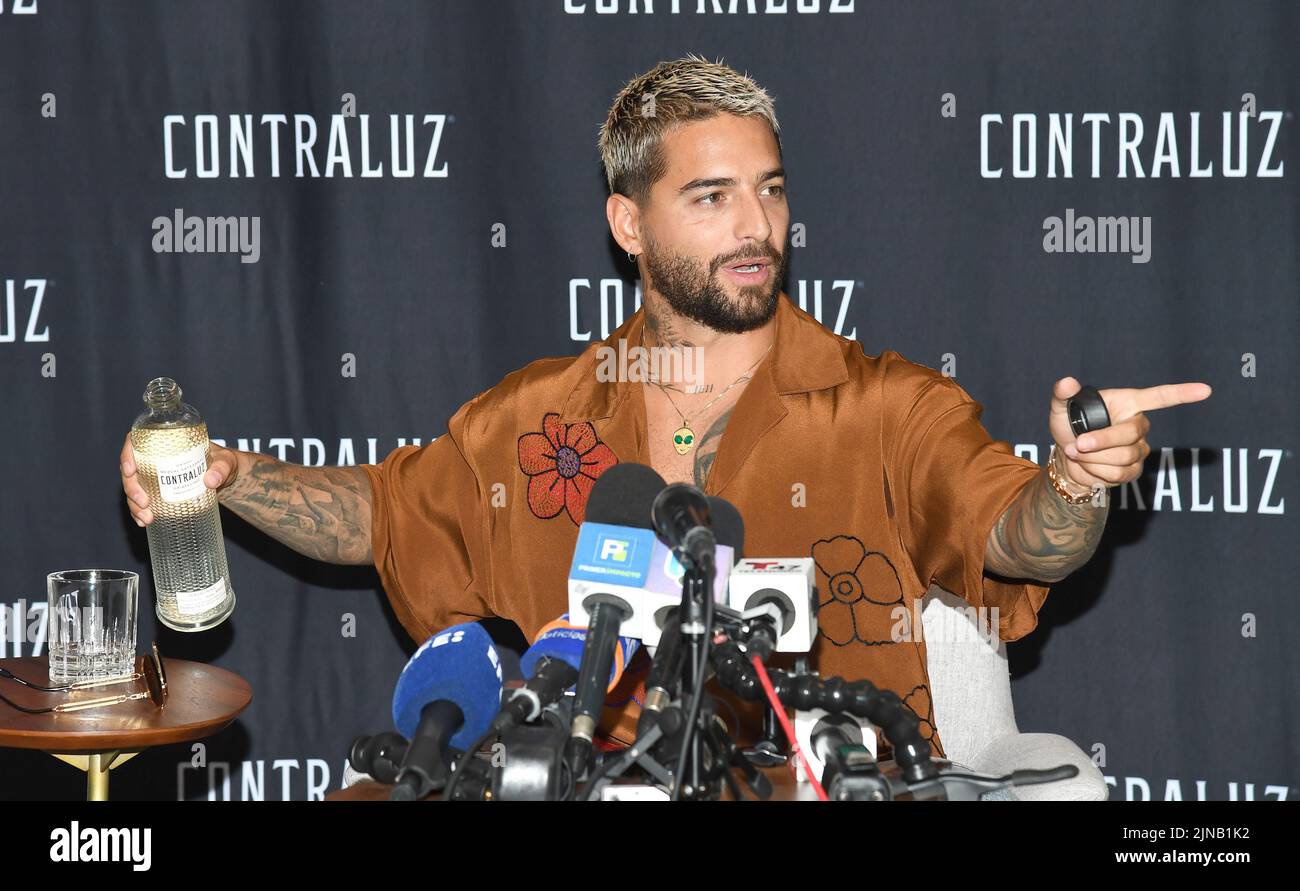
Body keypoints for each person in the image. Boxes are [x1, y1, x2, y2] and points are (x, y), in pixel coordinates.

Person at [119, 54, 1210, 757]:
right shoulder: (547, 417)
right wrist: (230, 478)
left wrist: (1073, 484)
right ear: (628, 225)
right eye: (712, 195)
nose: (757, 225)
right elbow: (391, 510)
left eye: (771, 188)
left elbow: (1016, 535)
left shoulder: (889, 406)